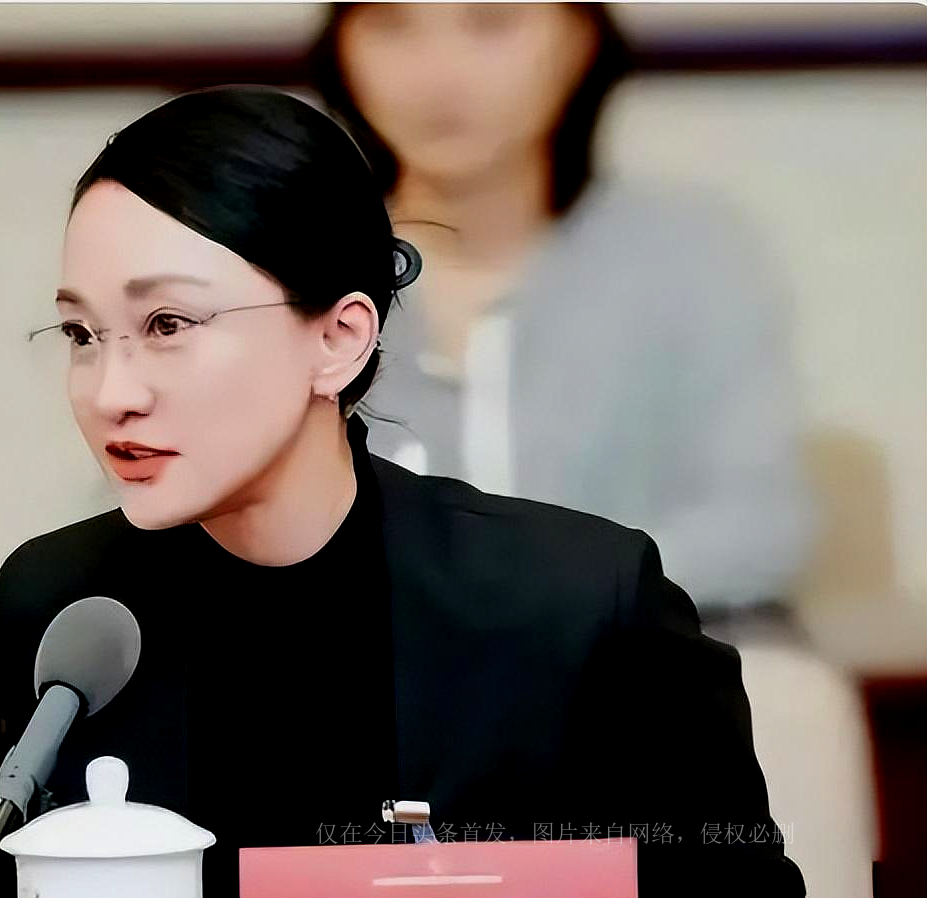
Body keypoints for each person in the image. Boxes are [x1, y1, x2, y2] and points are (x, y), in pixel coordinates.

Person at [0, 87, 811, 898]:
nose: (109, 390)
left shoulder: (581, 603)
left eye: (168, 324)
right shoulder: (73, 609)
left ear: (340, 339)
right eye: (81, 332)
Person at [311, 3, 815, 627]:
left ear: (581, 42)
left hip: (635, 659)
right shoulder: (295, 265)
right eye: (392, 26)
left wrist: (542, 597)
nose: (439, 74)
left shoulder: (695, 253)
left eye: (491, 23)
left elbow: (759, 526)